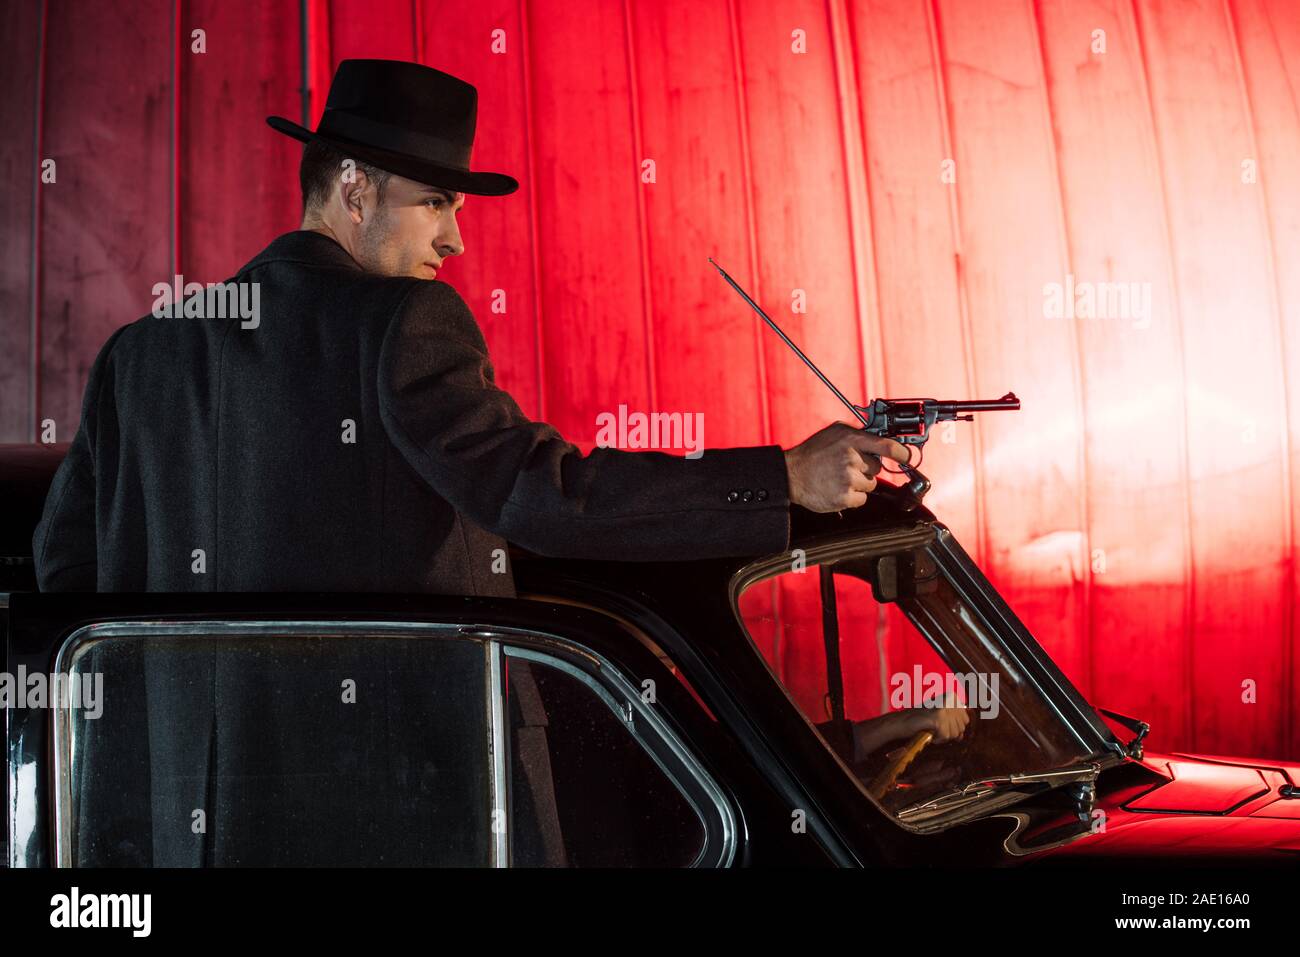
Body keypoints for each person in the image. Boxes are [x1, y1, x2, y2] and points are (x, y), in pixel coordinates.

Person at [30, 59, 916, 866]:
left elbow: (63, 572)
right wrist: (783, 478)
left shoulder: (142, 351)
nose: (455, 240)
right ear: (352, 186)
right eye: (436, 201)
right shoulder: (400, 322)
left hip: (175, 825)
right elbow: (541, 493)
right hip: (401, 815)